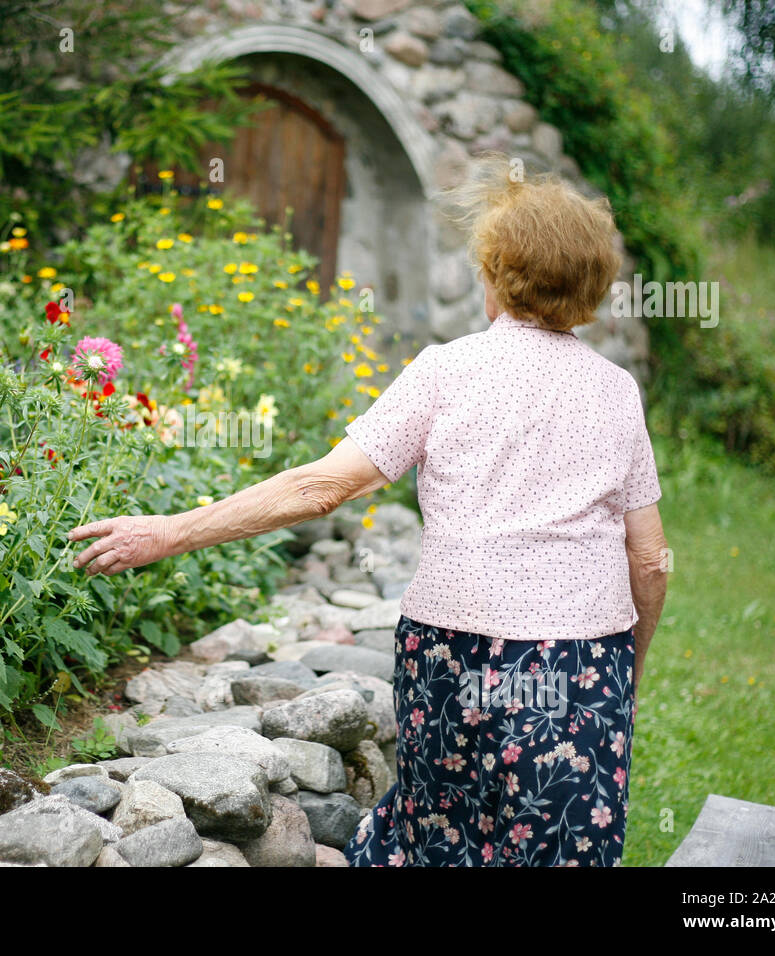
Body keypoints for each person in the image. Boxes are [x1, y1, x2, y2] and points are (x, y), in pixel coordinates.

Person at [67, 156, 668, 867]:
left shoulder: (446, 370)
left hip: (452, 653)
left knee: (439, 842)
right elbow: (650, 559)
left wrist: (167, 531)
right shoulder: (616, 391)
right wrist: (625, 667)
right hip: (578, 663)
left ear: (496, 272)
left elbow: (320, 487)